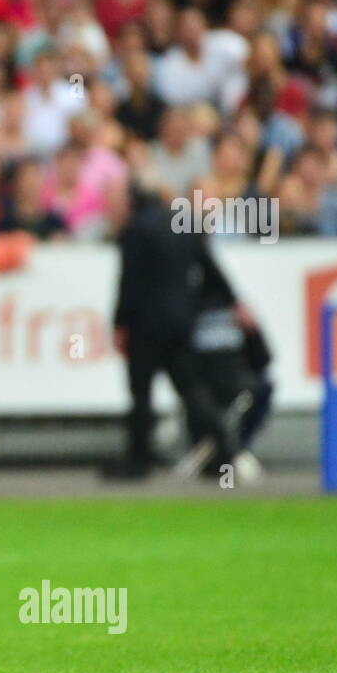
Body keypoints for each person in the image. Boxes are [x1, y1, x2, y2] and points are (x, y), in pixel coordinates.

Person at [107, 186, 240, 479]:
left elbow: (128, 283)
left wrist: (119, 323)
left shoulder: (135, 229)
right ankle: (224, 452)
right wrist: (232, 302)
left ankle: (138, 461)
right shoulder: (185, 227)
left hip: (144, 326)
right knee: (192, 391)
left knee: (141, 395)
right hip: (181, 324)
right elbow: (212, 270)